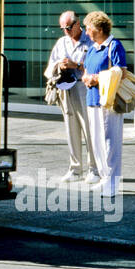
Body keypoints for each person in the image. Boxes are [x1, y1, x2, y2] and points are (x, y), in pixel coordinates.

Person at [45, 11, 97, 182]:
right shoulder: (62, 42)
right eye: (63, 28)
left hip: (84, 88)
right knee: (71, 128)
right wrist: (59, 65)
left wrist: (77, 65)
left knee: (90, 129)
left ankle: (94, 169)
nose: (66, 31)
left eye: (68, 27)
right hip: (66, 88)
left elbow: (96, 66)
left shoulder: (89, 40)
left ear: (77, 24)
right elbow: (51, 65)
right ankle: (75, 169)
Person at [80, 10, 126, 198]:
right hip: (92, 100)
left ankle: (113, 183)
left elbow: (120, 71)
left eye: (88, 28)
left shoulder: (114, 46)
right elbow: (85, 70)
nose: (86, 31)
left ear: (98, 29)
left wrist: (97, 79)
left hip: (108, 101)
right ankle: (104, 178)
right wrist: (86, 78)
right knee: (97, 141)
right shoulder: (92, 48)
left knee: (110, 141)